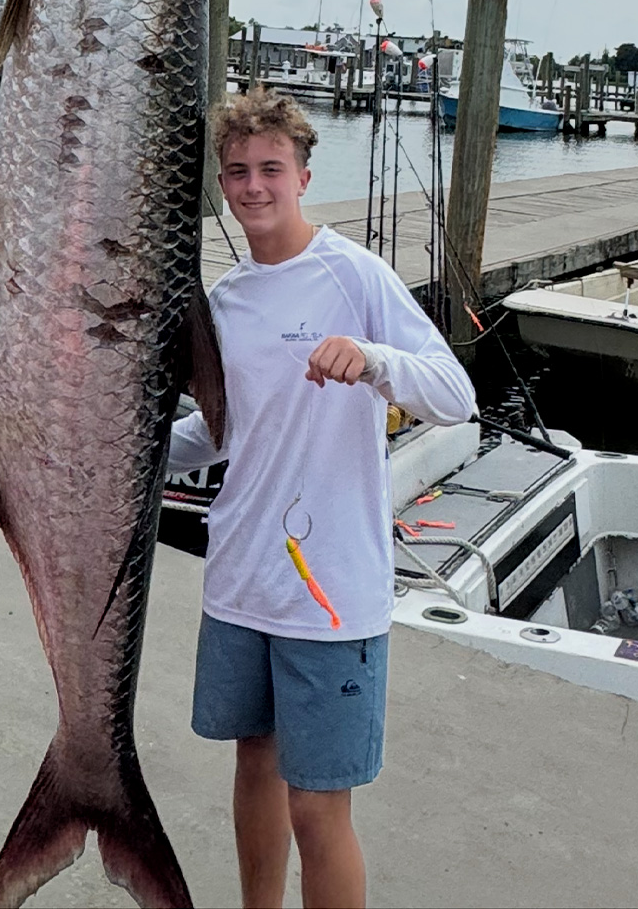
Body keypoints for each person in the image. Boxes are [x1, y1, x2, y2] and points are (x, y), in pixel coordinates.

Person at [168, 88, 476, 909]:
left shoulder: (354, 274)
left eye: (271, 168)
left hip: (329, 593)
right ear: (222, 186)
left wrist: (374, 359)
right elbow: (217, 432)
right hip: (239, 580)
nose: (254, 186)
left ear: (303, 175)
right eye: (237, 172)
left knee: (318, 804)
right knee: (253, 763)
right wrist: (110, 453)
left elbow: (455, 394)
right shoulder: (225, 302)